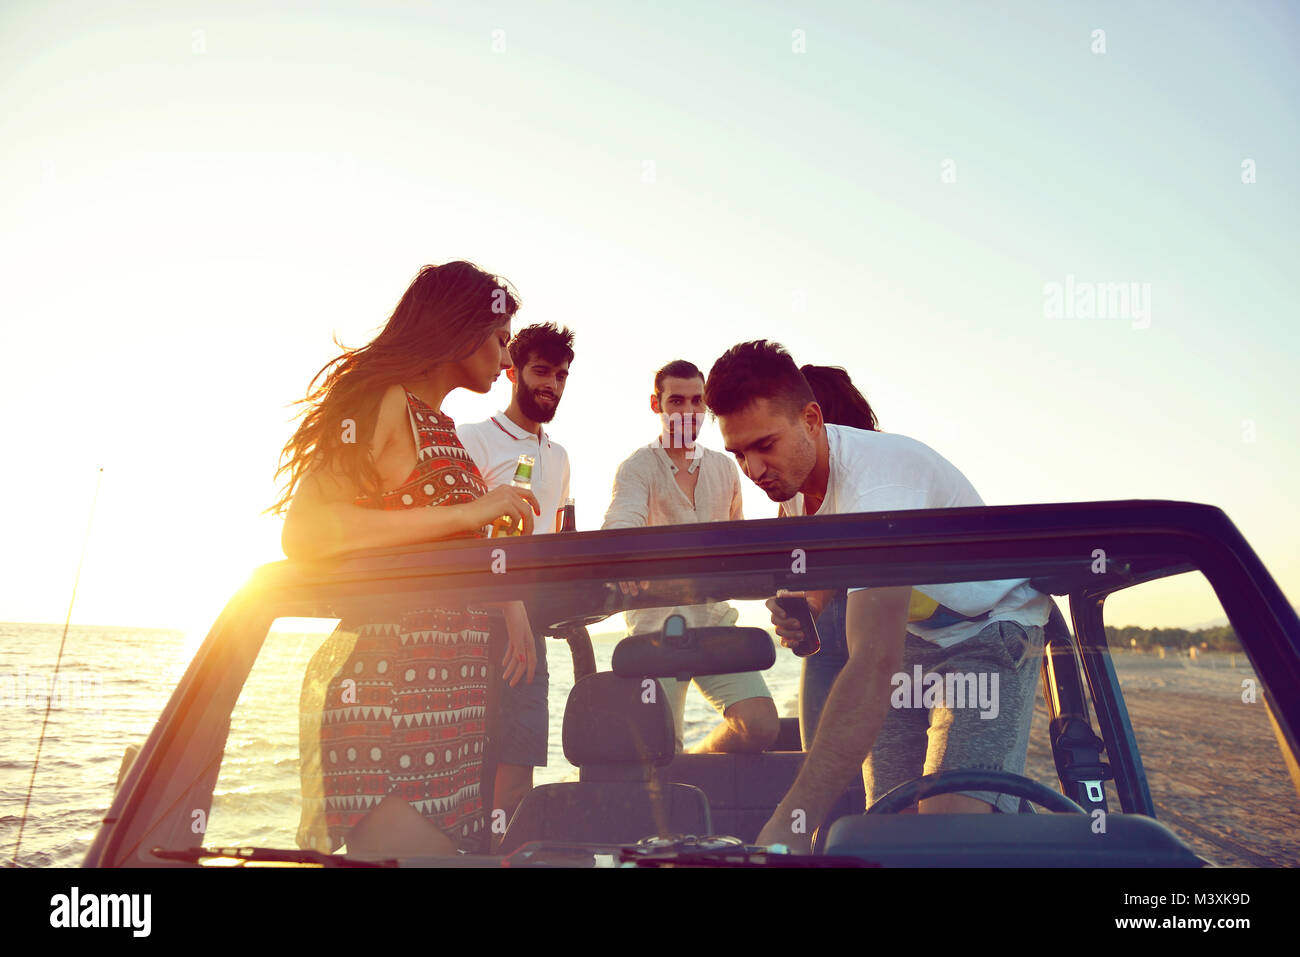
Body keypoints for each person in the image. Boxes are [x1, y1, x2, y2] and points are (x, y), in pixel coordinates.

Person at [704, 340, 1052, 851]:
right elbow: (820, 588)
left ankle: (1003, 826)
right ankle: (992, 811)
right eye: (739, 454)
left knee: (945, 837)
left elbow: (872, 661)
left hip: (989, 629)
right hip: (917, 635)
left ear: (812, 419)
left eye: (765, 445)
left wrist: (788, 827)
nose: (753, 470)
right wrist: (803, 609)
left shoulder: (877, 487)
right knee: (889, 829)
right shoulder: (794, 486)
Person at [273, 261, 543, 858]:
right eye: (501, 341)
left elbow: (445, 551)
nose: (506, 362)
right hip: (383, 708)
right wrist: (468, 514)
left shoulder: (442, 425)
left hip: (452, 724)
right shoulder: (382, 399)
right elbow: (306, 531)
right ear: (462, 328)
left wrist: (512, 606)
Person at [601, 359, 779, 753]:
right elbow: (620, 521)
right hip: (655, 633)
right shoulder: (637, 468)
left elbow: (739, 545)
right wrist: (625, 554)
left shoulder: (725, 469)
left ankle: (701, 759)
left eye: (696, 401)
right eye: (676, 401)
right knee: (662, 750)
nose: (687, 411)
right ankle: (679, 769)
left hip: (715, 623)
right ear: (657, 405)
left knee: (762, 726)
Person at [456, 322, 573, 828]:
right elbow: (464, 546)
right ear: (513, 371)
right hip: (477, 625)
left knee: (519, 766)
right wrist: (513, 608)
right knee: (467, 771)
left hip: (533, 624)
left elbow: (560, 542)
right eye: (542, 370)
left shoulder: (559, 456)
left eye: (562, 375)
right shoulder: (473, 439)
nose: (552, 383)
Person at [784, 365, 879, 750]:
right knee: (818, 756)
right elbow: (795, 560)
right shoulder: (790, 487)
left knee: (882, 762)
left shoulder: (875, 476)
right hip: (827, 627)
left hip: (883, 613)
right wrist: (800, 605)